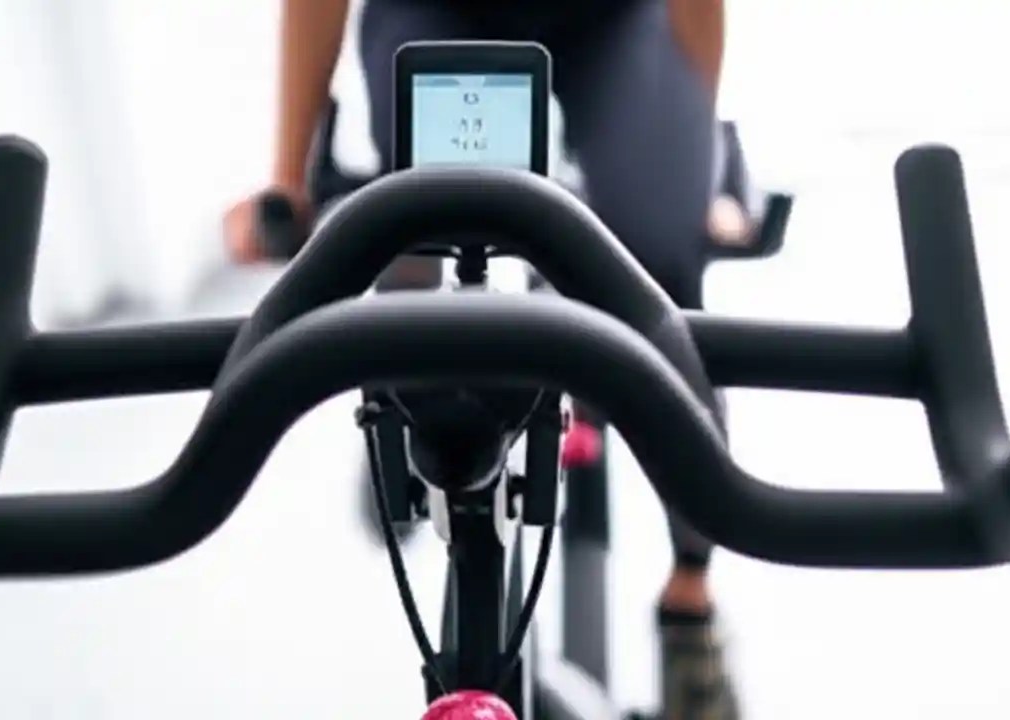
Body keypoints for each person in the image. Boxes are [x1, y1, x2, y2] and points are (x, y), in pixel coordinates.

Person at [223, 1, 743, 717]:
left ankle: (691, 593)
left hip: (612, 23)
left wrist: (695, 178)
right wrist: (287, 179)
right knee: (409, 226)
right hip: (434, 12)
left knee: (660, 277)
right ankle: (400, 392)